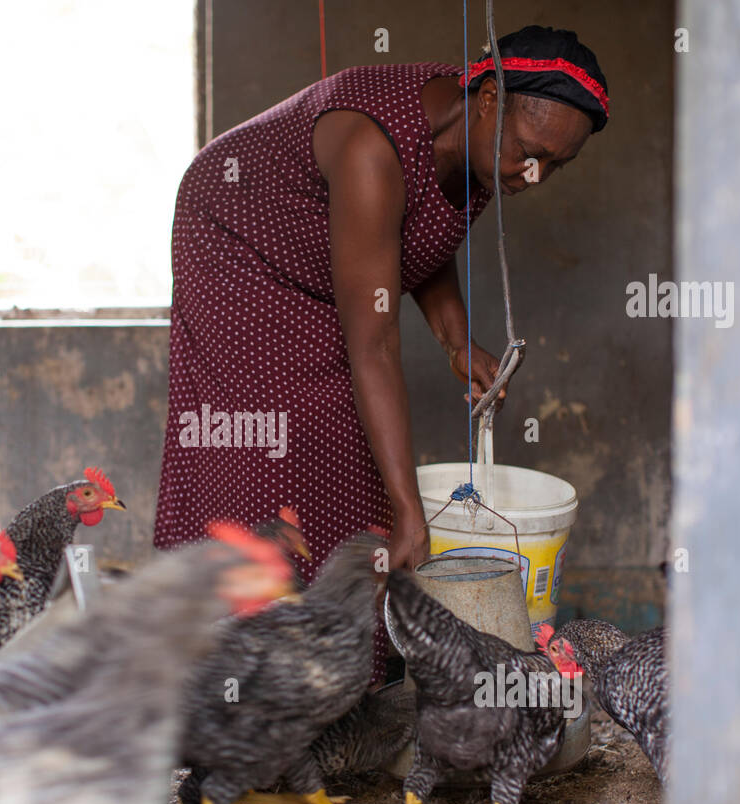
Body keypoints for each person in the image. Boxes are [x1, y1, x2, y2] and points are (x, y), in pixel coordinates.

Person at [154, 26, 609, 682]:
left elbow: (417, 231)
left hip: (325, 259)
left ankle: (337, 681)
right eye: (530, 151)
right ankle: (234, 679)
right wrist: (409, 512)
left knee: (349, 451)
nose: (532, 174)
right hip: (238, 241)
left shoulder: (475, 150)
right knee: (274, 439)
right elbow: (373, 341)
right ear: (486, 101)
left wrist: (457, 340)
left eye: (554, 165)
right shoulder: (374, 146)